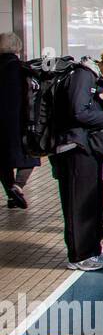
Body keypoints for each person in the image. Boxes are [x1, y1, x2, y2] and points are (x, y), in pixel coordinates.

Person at [52, 49, 103, 271]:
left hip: (88, 148)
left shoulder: (93, 77)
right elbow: (78, 112)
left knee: (91, 202)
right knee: (78, 203)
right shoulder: (83, 76)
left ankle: (92, 251)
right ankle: (78, 256)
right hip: (75, 149)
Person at [0, 32, 39, 209]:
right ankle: (17, 187)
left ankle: (11, 193)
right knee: (30, 155)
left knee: (2, 160)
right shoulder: (21, 69)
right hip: (20, 120)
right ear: (17, 47)